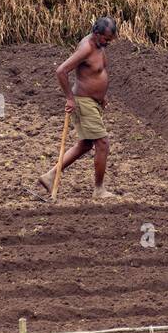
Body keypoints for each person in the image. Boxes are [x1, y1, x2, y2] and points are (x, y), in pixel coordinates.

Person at [38, 17, 119, 200]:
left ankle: (50, 176)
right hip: (83, 102)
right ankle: (99, 189)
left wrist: (102, 95)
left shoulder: (98, 46)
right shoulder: (87, 48)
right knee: (102, 144)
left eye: (110, 40)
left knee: (85, 145)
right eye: (106, 39)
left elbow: (95, 73)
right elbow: (61, 71)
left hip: (93, 102)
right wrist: (70, 98)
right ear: (97, 34)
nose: (107, 43)